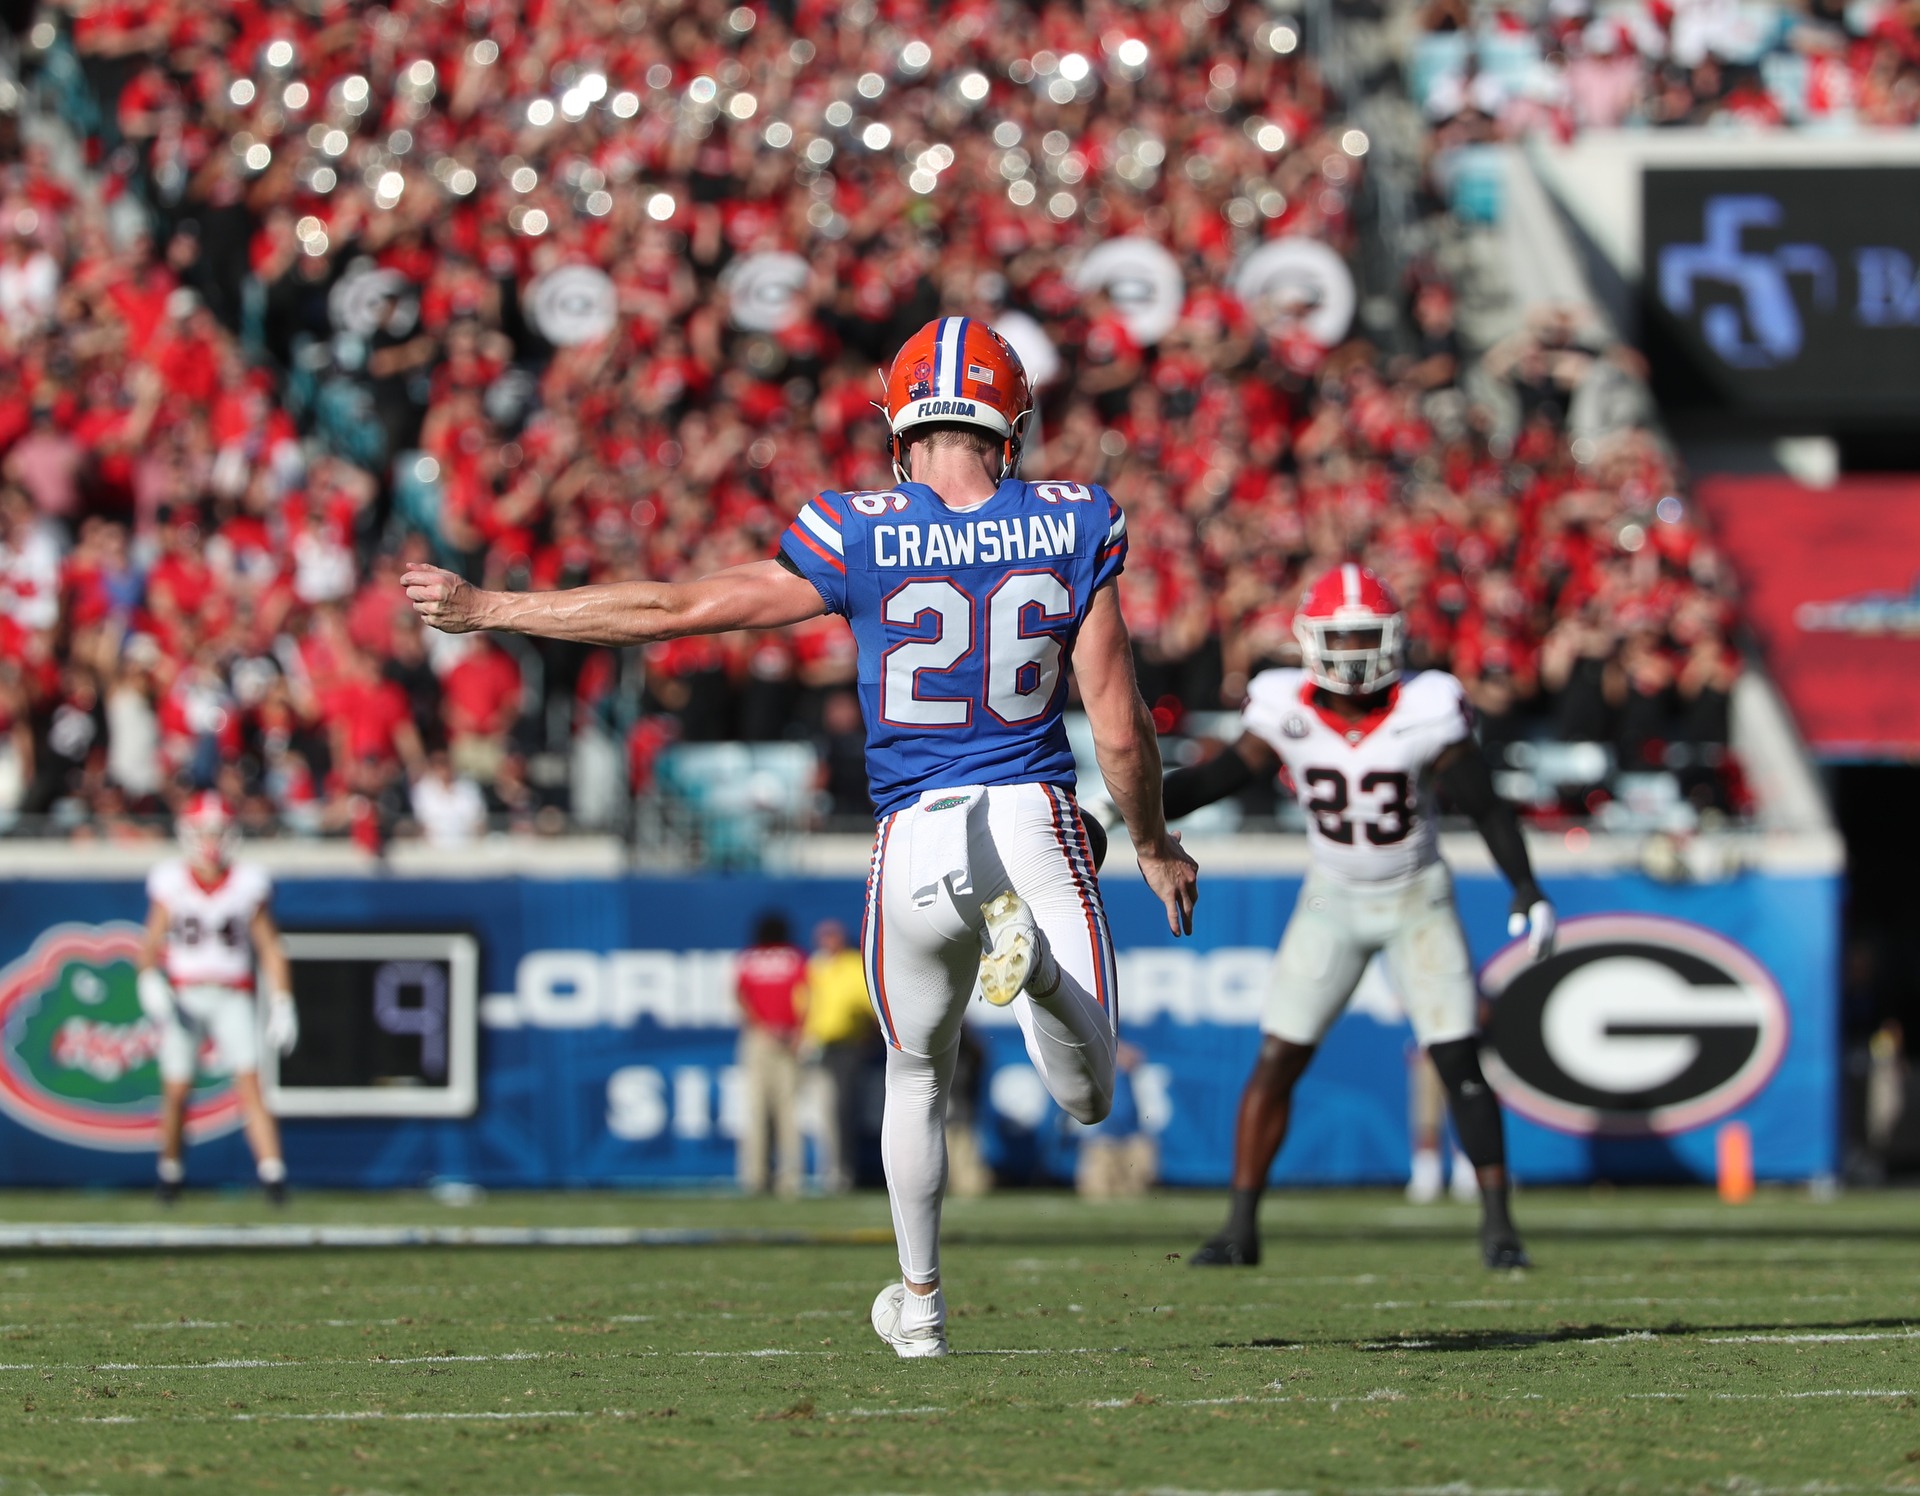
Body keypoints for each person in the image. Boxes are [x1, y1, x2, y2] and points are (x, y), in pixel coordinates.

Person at [404, 317, 1199, 1357]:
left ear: (901, 426)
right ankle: (1040, 971)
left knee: (915, 1074)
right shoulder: (1073, 519)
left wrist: (492, 606)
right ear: (1010, 425)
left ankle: (921, 1306)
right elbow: (1118, 727)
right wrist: (1152, 842)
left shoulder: (856, 528)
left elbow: (677, 607)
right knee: (1088, 1098)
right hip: (1035, 819)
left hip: (913, 837)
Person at [1160, 565, 1553, 1271]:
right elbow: (1223, 776)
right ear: (1311, 640)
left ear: (1394, 638)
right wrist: (1134, 808)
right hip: (1332, 897)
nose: (1353, 651)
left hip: (1416, 896)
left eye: (1365, 636)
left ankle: (1500, 1228)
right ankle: (1240, 1227)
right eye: (1340, 637)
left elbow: (1485, 805)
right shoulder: (1283, 704)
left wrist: (1526, 886)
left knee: (1457, 1055)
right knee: (1278, 1056)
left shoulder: (1428, 704)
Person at [137, 792, 298, 1204]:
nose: (211, 841)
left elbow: (270, 947)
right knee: (177, 1090)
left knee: (251, 1085)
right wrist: (149, 978)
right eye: (204, 832)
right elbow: (150, 943)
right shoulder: (171, 880)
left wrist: (282, 1001)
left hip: (232, 993)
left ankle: (273, 1175)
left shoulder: (248, 882)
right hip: (185, 994)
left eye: (218, 831)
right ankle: (170, 1172)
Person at [734, 912, 809, 1198]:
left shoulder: (748, 959)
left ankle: (754, 1176)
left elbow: (741, 998)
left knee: (757, 1110)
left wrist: (762, 1026)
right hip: (789, 1038)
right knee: (789, 1112)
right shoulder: (795, 958)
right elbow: (807, 997)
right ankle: (791, 1179)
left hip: (758, 1039)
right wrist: (798, 1031)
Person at [802, 918, 876, 1193]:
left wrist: (870, 1035)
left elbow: (868, 1005)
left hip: (847, 1047)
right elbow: (804, 1005)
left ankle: (843, 1172)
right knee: (819, 1113)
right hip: (818, 1046)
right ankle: (825, 1170)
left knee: (843, 1109)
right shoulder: (815, 966)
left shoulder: (852, 965)